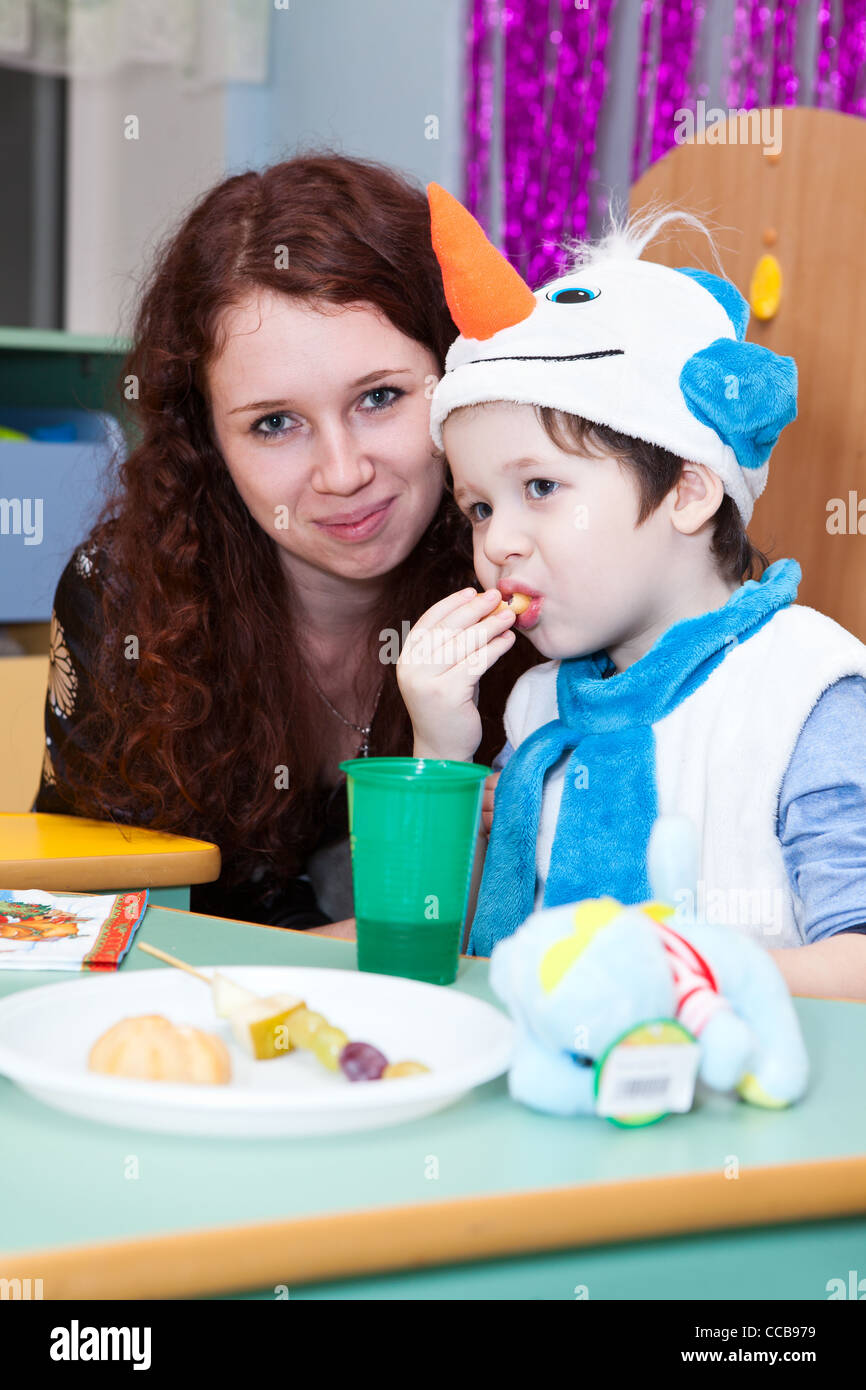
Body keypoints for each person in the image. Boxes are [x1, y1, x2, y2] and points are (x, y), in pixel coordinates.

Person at [33, 156, 542, 933]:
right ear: (206, 438)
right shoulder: (124, 595)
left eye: (380, 398)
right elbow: (86, 923)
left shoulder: (539, 578)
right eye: (275, 423)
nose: (343, 473)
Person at [396, 184, 866, 999]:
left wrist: (677, 978)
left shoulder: (806, 692)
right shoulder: (536, 708)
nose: (496, 540)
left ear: (689, 492)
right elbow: (445, 948)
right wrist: (442, 748)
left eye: (540, 487)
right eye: (478, 506)